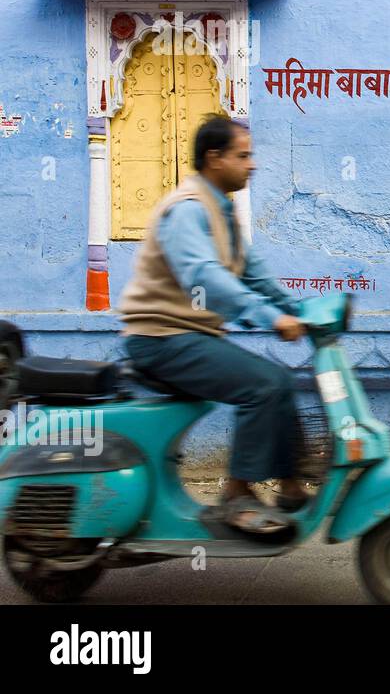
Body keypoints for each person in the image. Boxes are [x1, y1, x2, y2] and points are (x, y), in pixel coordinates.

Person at [120, 114, 307, 536]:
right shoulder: (188, 209)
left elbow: (254, 275)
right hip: (160, 338)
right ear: (214, 158)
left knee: (278, 379)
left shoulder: (223, 211)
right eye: (243, 156)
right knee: (262, 385)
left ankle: (291, 486)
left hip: (188, 336)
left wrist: (303, 310)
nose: (252, 164)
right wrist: (271, 318)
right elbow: (203, 276)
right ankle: (236, 494)